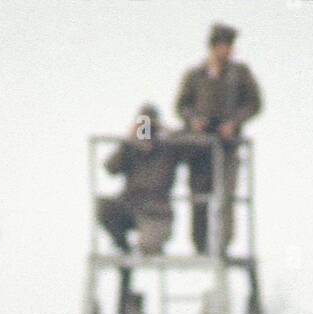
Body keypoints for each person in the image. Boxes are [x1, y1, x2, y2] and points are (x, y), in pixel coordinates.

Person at [175, 23, 262, 253]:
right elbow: (181, 106)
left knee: (226, 197)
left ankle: (222, 245)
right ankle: (200, 244)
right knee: (199, 196)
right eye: (225, 45)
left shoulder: (240, 74)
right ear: (214, 47)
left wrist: (234, 122)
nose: (229, 50)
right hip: (200, 148)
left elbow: (254, 103)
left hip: (227, 147)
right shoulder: (195, 75)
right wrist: (193, 120)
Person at [97, 105, 181, 255]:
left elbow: (190, 146)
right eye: (143, 125)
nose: (146, 130)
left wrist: (165, 130)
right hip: (131, 203)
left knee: (148, 250)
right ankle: (122, 247)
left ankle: (138, 251)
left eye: (149, 125)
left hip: (157, 209)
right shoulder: (130, 148)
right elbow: (110, 168)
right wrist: (128, 140)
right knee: (104, 206)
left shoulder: (169, 149)